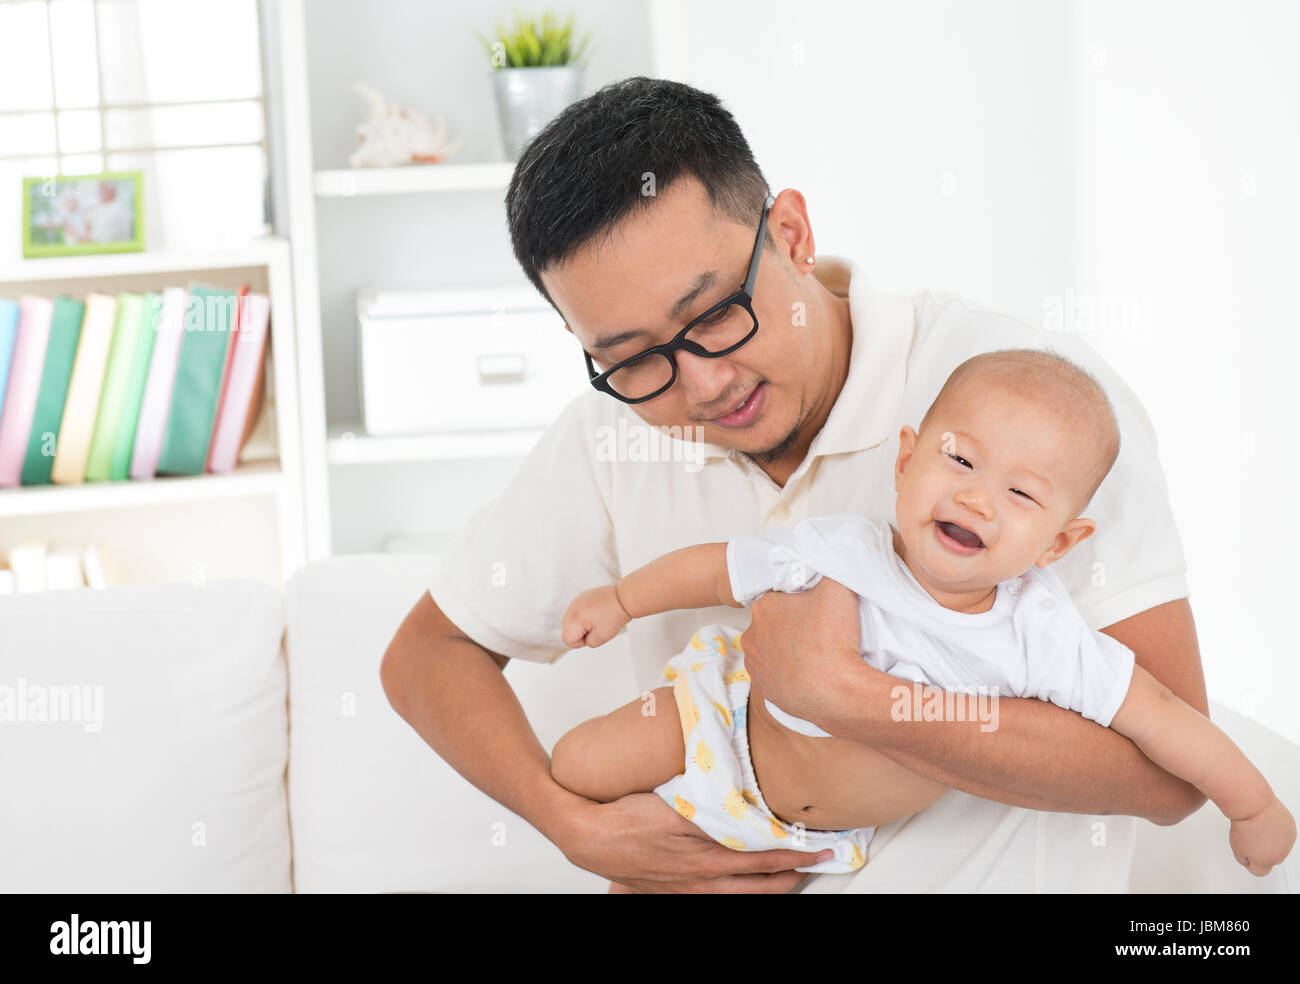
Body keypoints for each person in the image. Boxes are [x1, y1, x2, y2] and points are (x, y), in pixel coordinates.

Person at [381, 76, 1210, 893]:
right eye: (632, 358)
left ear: (791, 233)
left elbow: (1171, 777)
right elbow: (427, 654)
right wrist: (571, 825)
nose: (702, 386)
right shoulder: (611, 435)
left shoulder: (1039, 414)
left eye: (712, 315)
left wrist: (850, 696)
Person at [552, 349, 1297, 888]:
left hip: (791, 837)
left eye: (1023, 495)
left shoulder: (1040, 638)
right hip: (719, 717)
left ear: (1061, 543)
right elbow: (718, 565)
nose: (977, 500)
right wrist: (620, 602)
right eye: (961, 462)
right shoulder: (846, 551)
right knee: (577, 766)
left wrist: (1253, 804)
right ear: (906, 464)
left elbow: (1165, 717)